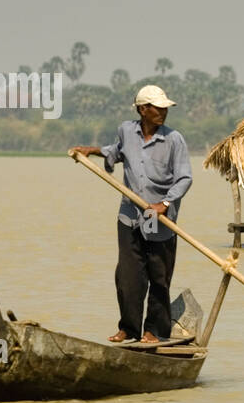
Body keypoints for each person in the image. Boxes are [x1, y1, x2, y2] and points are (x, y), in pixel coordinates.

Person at [72, 85, 192, 343]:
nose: (162, 113)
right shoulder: (127, 131)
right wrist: (91, 151)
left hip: (159, 220)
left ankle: (154, 330)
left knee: (159, 278)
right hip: (130, 217)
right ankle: (128, 328)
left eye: (164, 109)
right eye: (157, 109)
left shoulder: (174, 140)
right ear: (142, 110)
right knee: (127, 277)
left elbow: (184, 179)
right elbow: (116, 151)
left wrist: (166, 203)